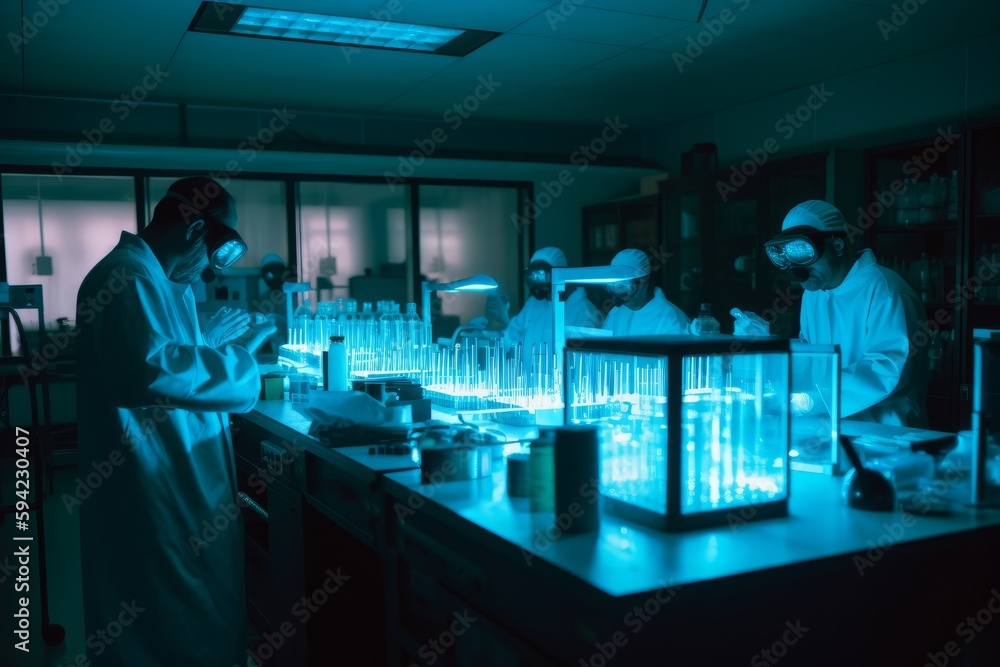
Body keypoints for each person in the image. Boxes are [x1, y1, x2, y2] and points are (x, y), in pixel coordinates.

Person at [76, 176, 276, 666]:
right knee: (168, 623)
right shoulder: (125, 277)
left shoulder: (163, 283)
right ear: (191, 229)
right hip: (154, 492)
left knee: (195, 615)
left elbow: (169, 362)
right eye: (211, 253)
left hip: (179, 484)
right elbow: (147, 370)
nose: (209, 271)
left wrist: (211, 348)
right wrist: (239, 362)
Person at [756, 199, 928, 427]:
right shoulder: (814, 293)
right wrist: (765, 349)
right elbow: (811, 354)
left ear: (837, 246)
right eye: (789, 257)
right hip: (828, 429)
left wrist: (816, 400)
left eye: (804, 253)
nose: (797, 269)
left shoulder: (885, 290)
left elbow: (888, 368)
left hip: (885, 433)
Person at [485, 246, 604, 356]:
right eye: (532, 278)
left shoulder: (586, 313)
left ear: (560, 274)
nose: (538, 285)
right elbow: (510, 337)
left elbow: (584, 361)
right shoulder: (533, 304)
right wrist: (500, 320)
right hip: (529, 377)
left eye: (541, 276)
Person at [601, 248, 690, 336]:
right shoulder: (616, 313)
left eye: (624, 281)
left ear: (644, 277)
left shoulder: (669, 315)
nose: (620, 290)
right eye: (615, 283)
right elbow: (603, 347)